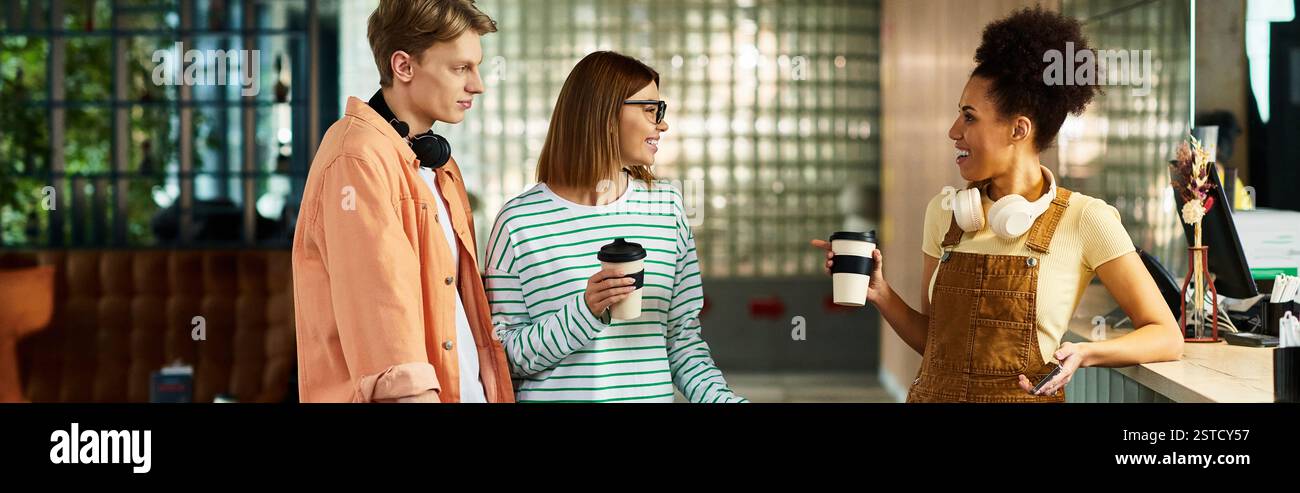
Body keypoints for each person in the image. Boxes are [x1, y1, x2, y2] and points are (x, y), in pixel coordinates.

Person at [813, 7, 1183, 403]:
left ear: (1018, 129)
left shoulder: (1085, 219)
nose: (953, 131)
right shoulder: (945, 214)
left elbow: (1166, 335)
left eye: (969, 117)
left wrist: (1087, 353)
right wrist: (881, 292)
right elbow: (935, 344)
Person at [483, 51, 747, 403]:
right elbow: (504, 357)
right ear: (605, 114)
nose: (662, 124)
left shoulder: (666, 209)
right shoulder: (519, 223)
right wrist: (586, 310)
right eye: (651, 110)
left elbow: (683, 344)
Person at [292, 0, 513, 403]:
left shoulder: (435, 164)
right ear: (404, 67)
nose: (477, 84)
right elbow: (388, 340)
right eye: (460, 68)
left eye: (476, 67)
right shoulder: (356, 158)